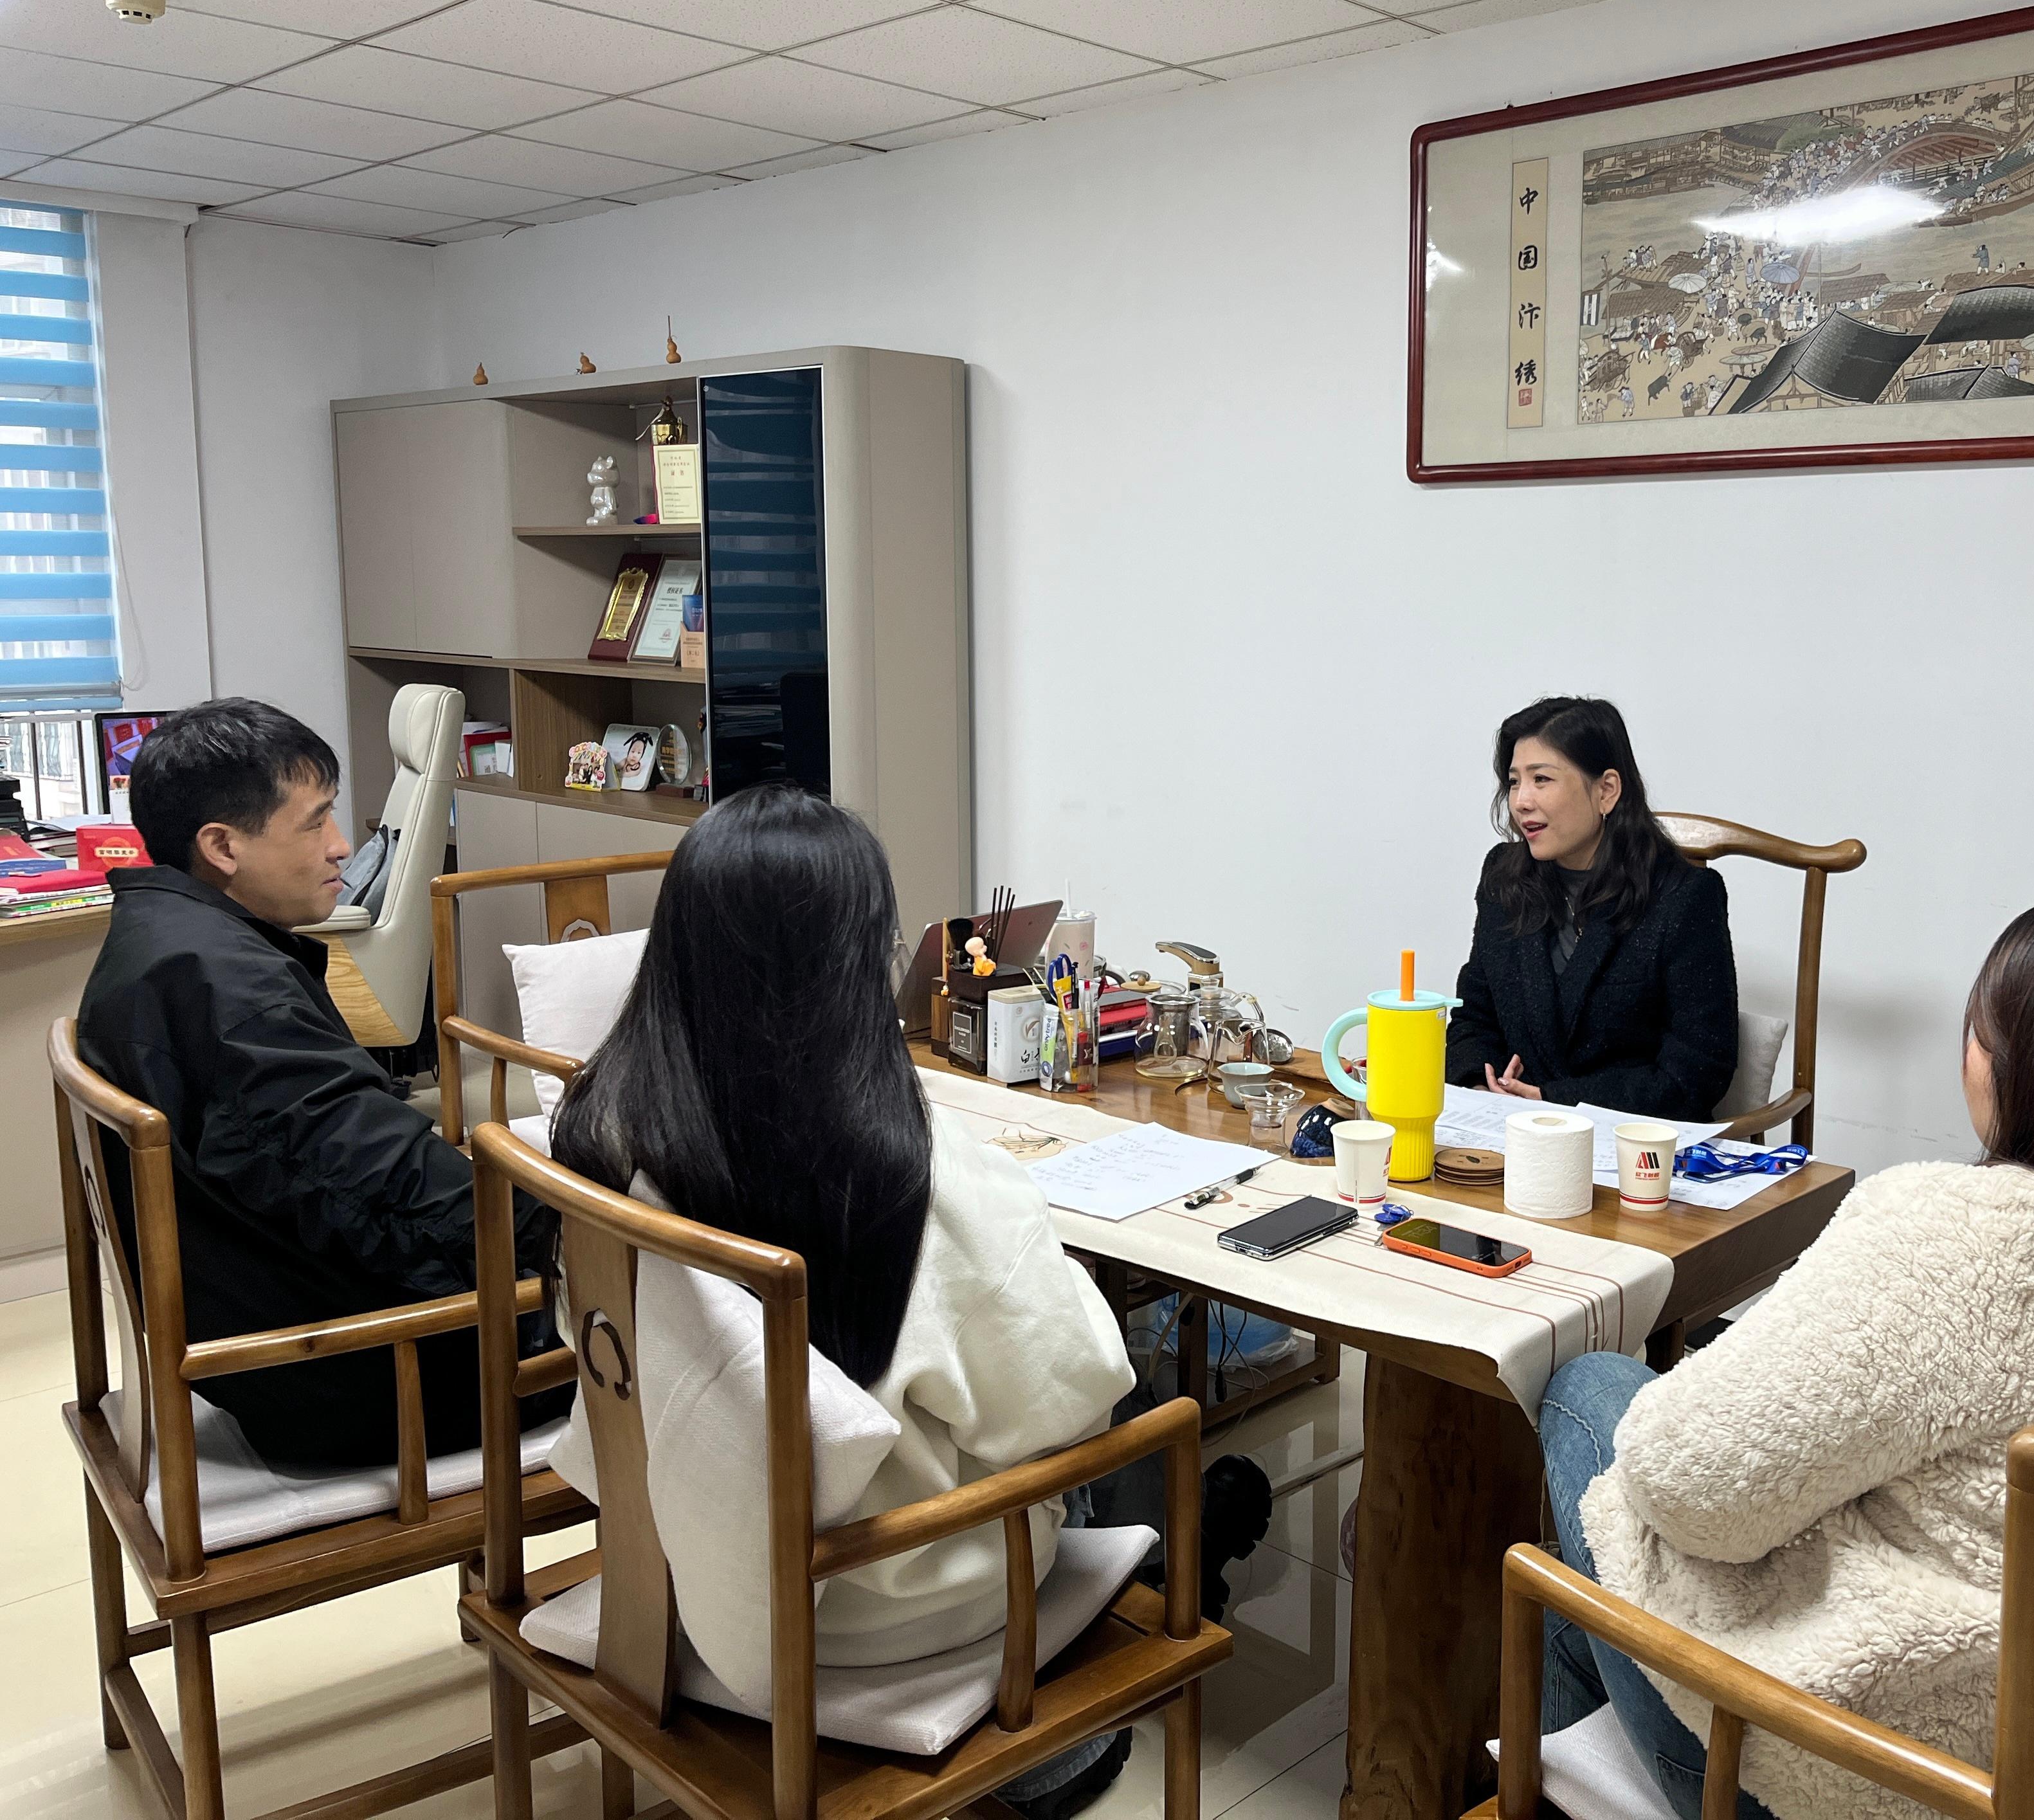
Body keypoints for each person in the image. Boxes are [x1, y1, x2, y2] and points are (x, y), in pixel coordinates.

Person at [1534, 899, 2034, 1820]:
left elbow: (1693, 1490)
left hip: (1873, 1766)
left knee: (1589, 1390)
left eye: (1980, 1032)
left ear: (2028, 1072)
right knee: (1568, 1615)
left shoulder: (1956, 1241)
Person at [550, 785, 1219, 1819]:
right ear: (859, 962)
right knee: (1137, 1425)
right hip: (893, 1608)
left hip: (697, 1558)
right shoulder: (925, 1173)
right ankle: (1067, 1732)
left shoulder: (607, 1128)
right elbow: (1073, 1395)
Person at [76, 698, 564, 1466]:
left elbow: (341, 1162)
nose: (342, 847)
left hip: (266, 1332)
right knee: (671, 1321)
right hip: (346, 1375)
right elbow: (383, 1183)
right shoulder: (234, 993)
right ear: (222, 846)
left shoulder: (164, 937)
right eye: (315, 823)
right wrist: (571, 1235)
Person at [1446, 696, 1738, 1124]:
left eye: (1541, 779)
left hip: (1628, 1141)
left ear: (1606, 791)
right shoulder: (1505, 876)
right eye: (1514, 782)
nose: (1521, 801)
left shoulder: (1683, 897)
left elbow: (1697, 1072)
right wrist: (1480, 1084)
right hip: (1507, 1130)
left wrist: (1553, 1100)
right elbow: (1474, 1017)